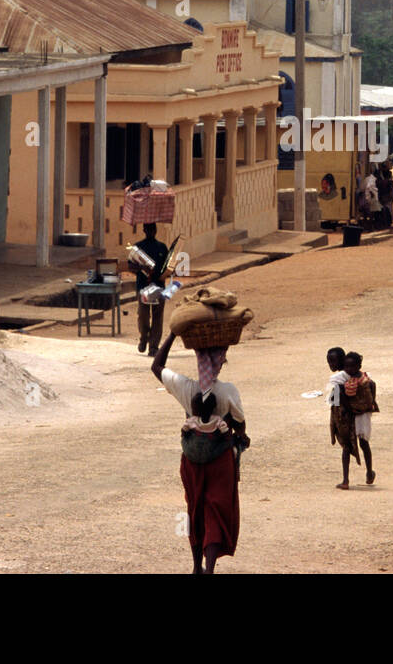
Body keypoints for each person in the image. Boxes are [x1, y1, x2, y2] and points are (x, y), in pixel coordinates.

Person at [151, 334, 248, 575]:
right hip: (220, 461)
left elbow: (156, 366)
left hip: (192, 461)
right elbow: (240, 425)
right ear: (221, 361)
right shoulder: (228, 391)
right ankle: (210, 568)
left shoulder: (185, 387)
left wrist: (173, 334)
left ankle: (196, 566)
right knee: (216, 510)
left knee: (195, 509)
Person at [333, 351, 378, 489]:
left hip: (353, 416)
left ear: (359, 365)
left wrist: (348, 409)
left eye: (352, 367)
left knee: (349, 446)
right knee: (363, 444)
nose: (349, 370)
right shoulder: (365, 378)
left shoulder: (343, 380)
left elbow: (338, 398)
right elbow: (373, 386)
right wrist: (372, 403)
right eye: (347, 367)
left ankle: (347, 480)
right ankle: (368, 473)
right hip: (363, 415)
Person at [134, 223, 170, 355]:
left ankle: (153, 347)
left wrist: (165, 274)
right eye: (148, 229)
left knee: (157, 317)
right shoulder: (138, 247)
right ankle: (144, 338)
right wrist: (142, 269)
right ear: (144, 230)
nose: (150, 232)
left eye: (152, 229)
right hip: (143, 286)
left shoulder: (162, 247)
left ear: (156, 231)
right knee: (143, 315)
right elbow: (131, 266)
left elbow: (168, 266)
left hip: (159, 287)